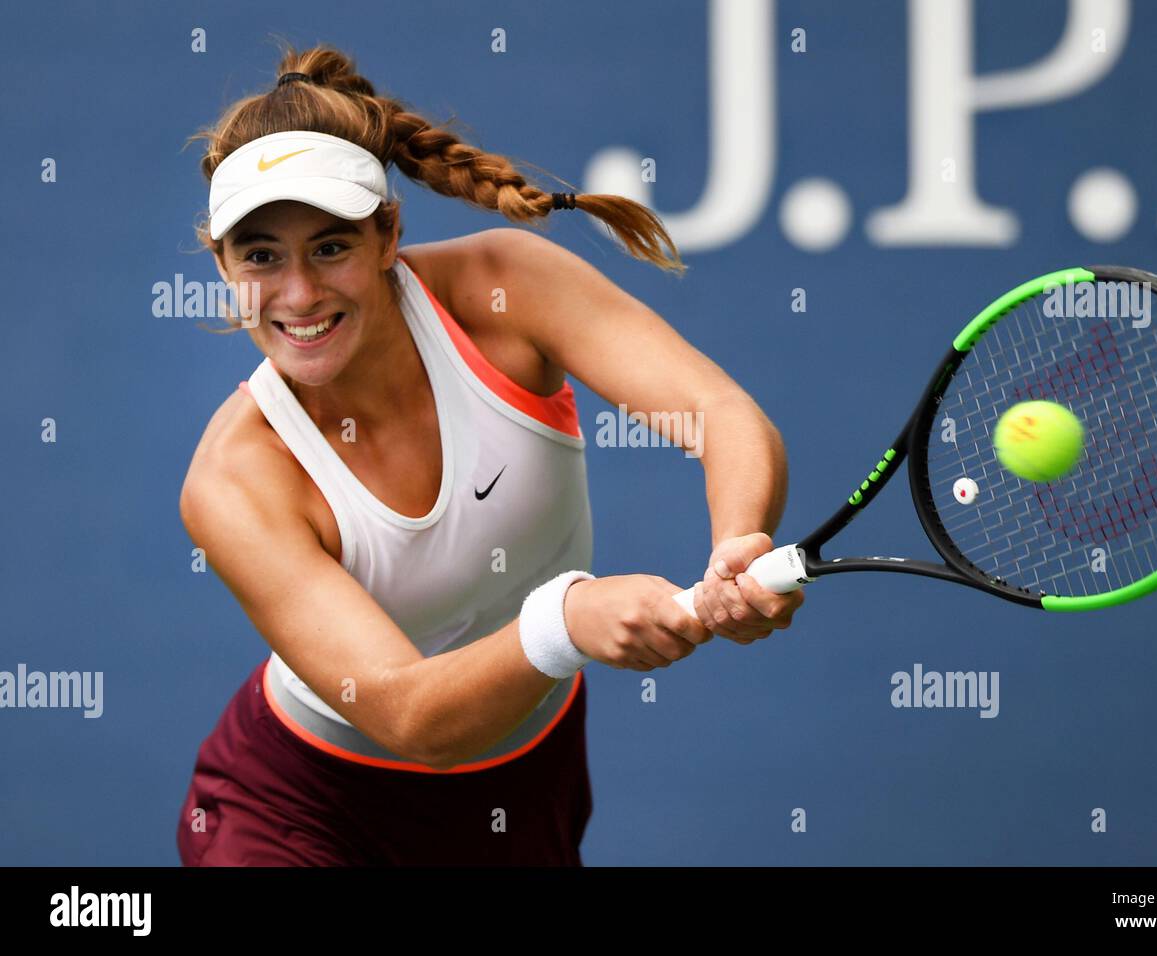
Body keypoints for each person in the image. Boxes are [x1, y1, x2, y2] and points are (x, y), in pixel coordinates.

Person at [175, 43, 803, 866]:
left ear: (387, 234)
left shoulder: (508, 291)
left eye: (331, 247)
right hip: (298, 810)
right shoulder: (233, 479)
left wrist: (737, 546)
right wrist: (566, 618)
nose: (298, 295)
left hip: (523, 784)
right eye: (260, 256)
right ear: (222, 264)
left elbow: (720, 416)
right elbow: (408, 714)